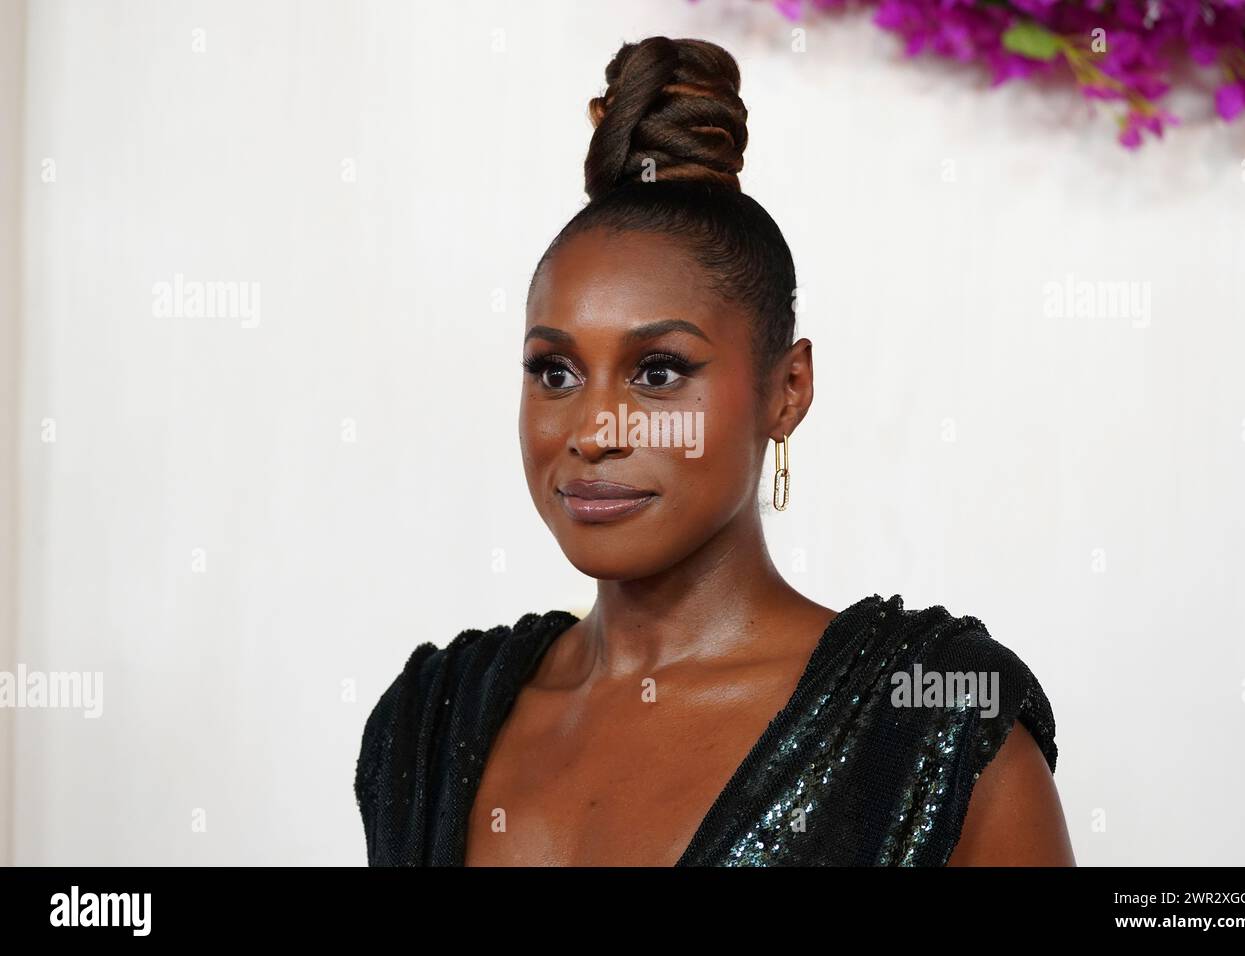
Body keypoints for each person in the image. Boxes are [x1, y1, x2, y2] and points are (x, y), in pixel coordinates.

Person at [354, 35, 1074, 867]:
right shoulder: (431, 723)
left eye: (658, 372)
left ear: (787, 389)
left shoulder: (932, 725)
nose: (593, 431)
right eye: (554, 371)